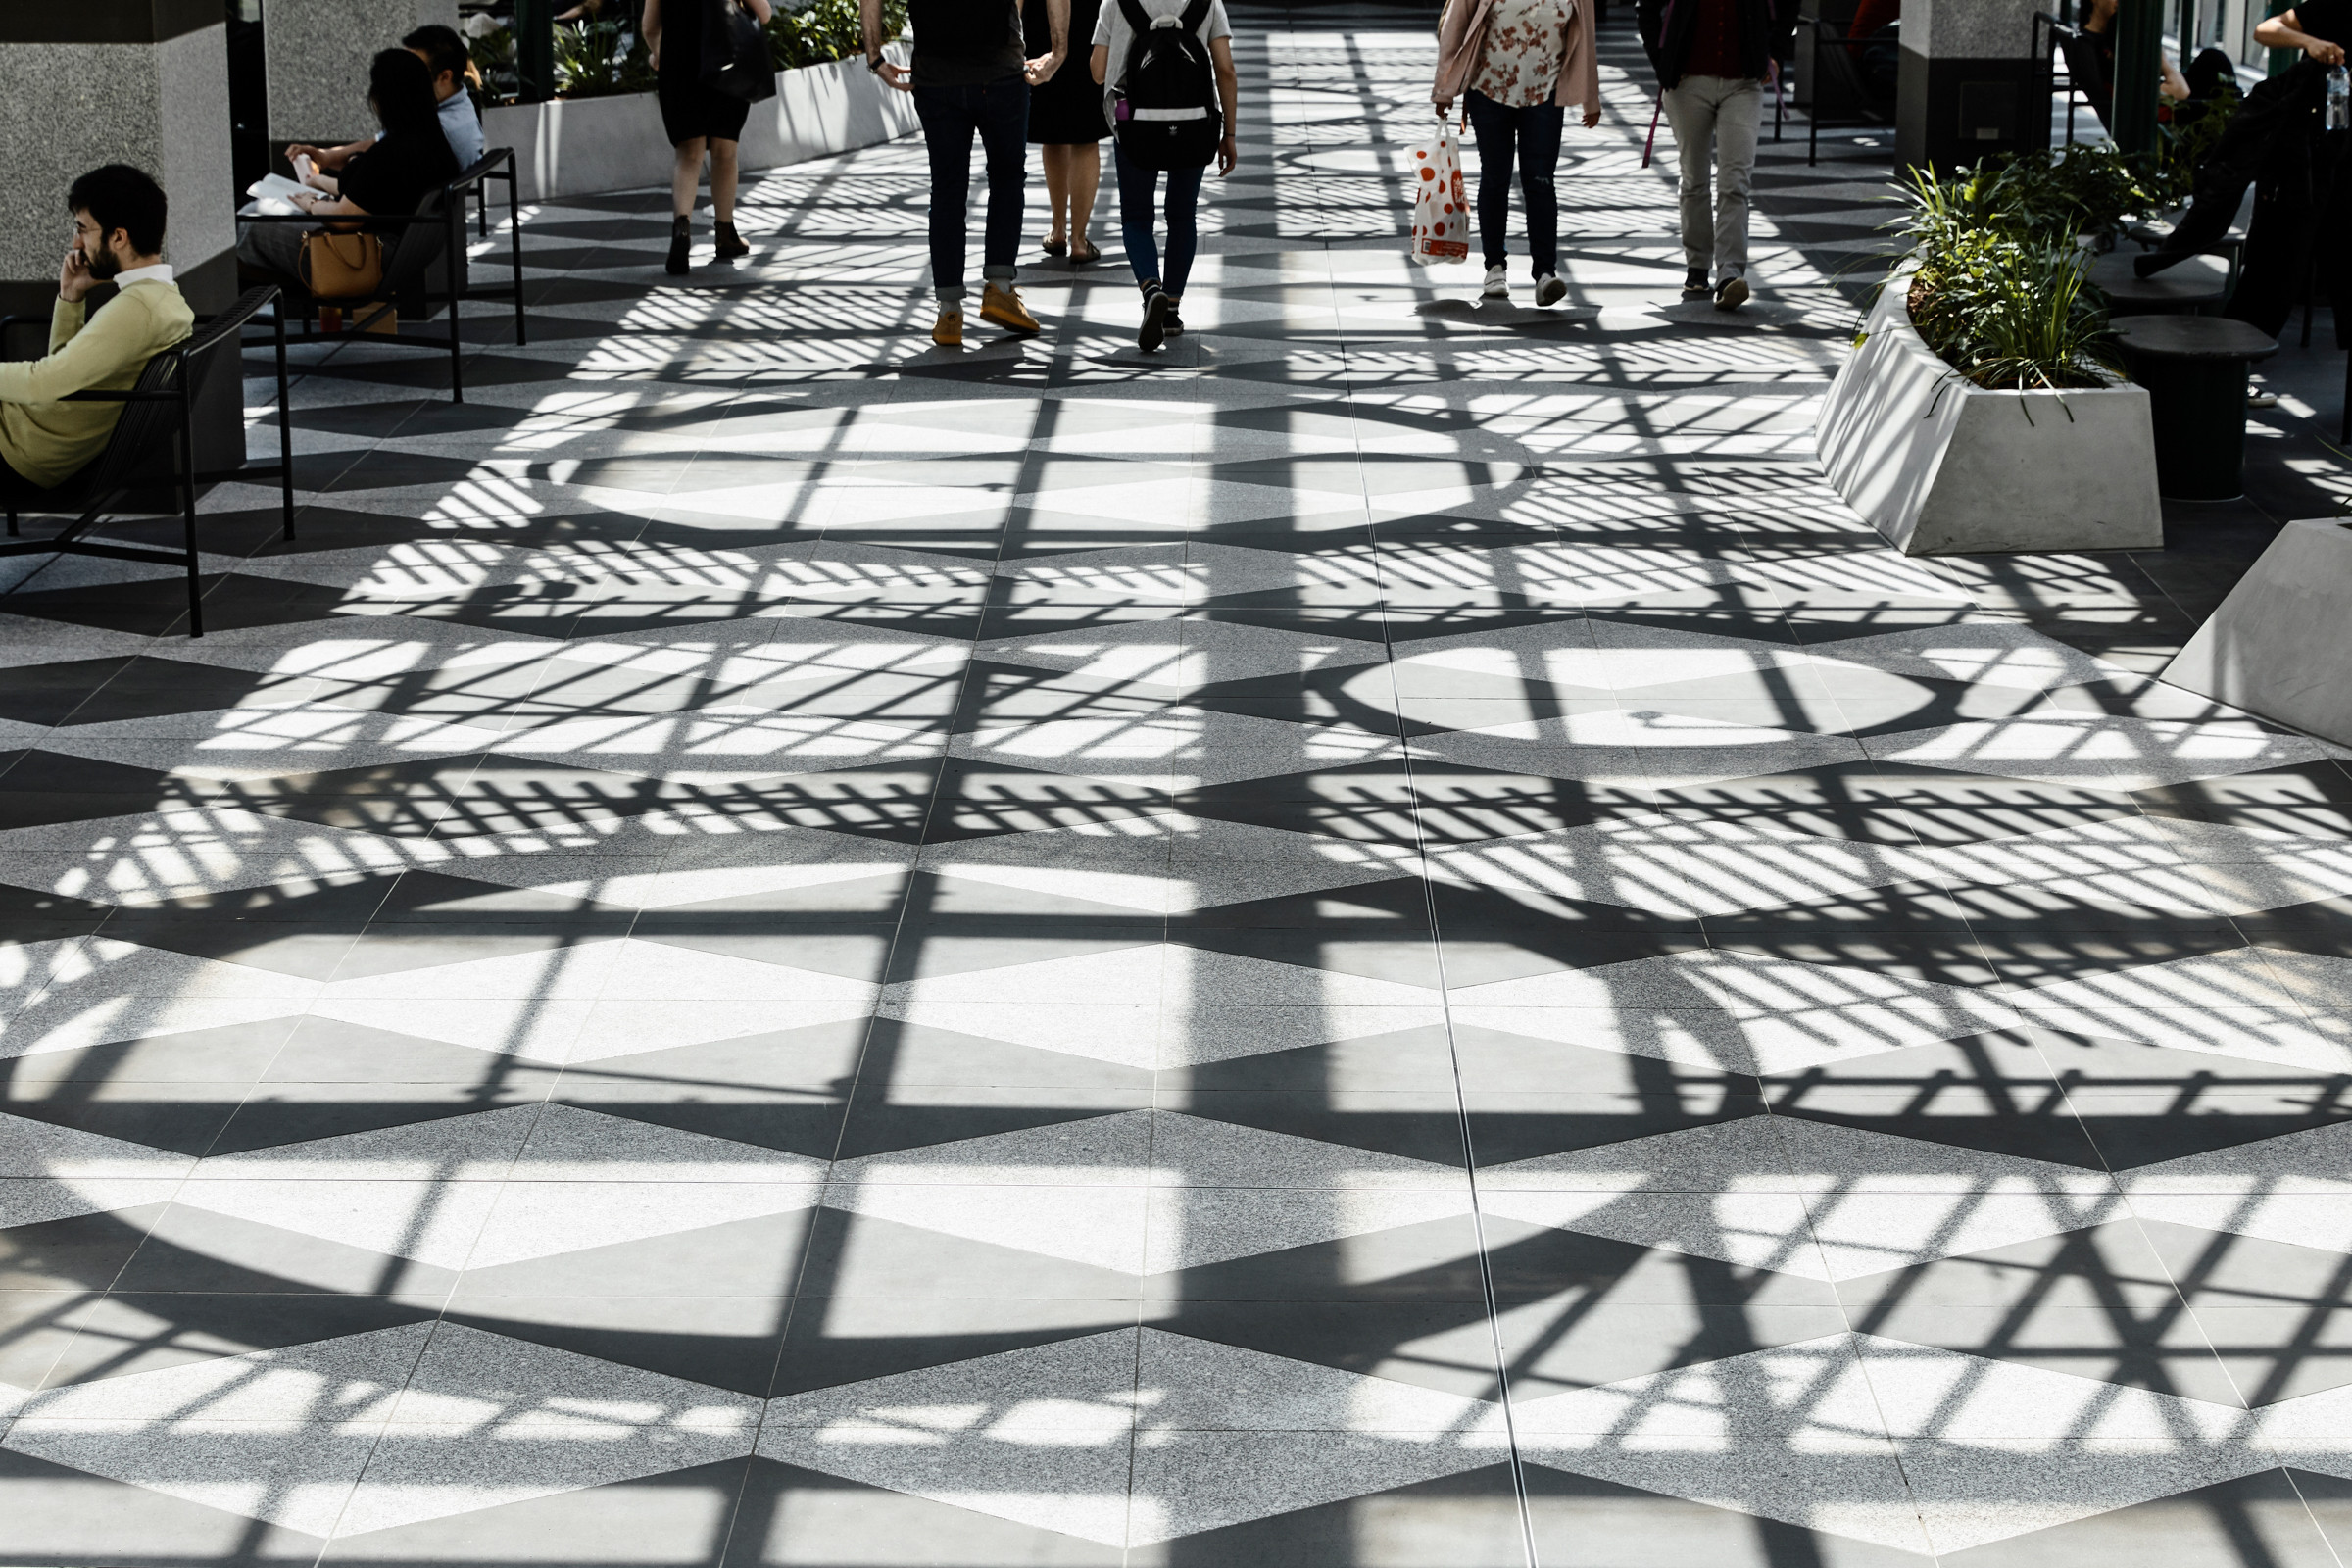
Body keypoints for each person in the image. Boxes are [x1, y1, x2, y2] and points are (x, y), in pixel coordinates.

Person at [866, 0, 1067, 346]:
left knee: (946, 187)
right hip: (1001, 71)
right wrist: (1058, 51)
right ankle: (1000, 289)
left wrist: (875, 56)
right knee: (1006, 178)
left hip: (935, 76)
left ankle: (949, 312)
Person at [0, 166, 194, 494]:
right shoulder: (160, 298)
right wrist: (71, 297)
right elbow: (67, 375)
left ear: (118, 237)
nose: (76, 242)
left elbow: (45, 382)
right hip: (25, 435)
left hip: (19, 450)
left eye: (83, 229)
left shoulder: (137, 309)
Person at [236, 48, 461, 291]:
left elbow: (344, 219)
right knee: (261, 213)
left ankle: (241, 307)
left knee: (250, 219)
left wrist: (311, 204)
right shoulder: (436, 144)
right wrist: (318, 181)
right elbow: (368, 191)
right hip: (406, 253)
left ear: (383, 99)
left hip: (365, 257)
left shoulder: (391, 152)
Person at [1432, 0, 1604, 309]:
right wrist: (1444, 90)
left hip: (1546, 92)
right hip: (1488, 89)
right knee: (1496, 177)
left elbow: (1585, 37)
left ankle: (1545, 274)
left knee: (1540, 181)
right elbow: (1454, 27)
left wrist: (1590, 98)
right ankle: (1494, 268)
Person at [1094, 0, 1239, 350]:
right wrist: (1229, 134)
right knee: (1181, 214)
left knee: (1137, 216)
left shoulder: (1116, 2)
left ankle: (1151, 289)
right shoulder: (1207, 3)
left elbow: (1098, 70)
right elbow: (1226, 70)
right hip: (1193, 125)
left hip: (1135, 126)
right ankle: (1171, 309)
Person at [1637, 0, 1795, 312]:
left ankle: (1729, 274)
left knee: (1735, 180)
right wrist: (1662, 62)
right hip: (1686, 83)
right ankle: (1697, 266)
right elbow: (1646, 9)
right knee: (1694, 178)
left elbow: (1789, 6)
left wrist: (1776, 54)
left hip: (1744, 83)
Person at [646, 0, 775, 275]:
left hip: (679, 67)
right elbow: (764, 14)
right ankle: (725, 235)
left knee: (688, 152)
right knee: (725, 151)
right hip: (725, 63)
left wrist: (658, 53)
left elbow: (649, 26)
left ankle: (682, 229)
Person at [287, 24, 484, 176]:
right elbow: (378, 145)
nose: (402, 76)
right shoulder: (453, 108)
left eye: (413, 71)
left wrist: (317, 194)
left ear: (444, 77)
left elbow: (357, 204)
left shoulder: (433, 133)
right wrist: (325, 157)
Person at [1028, 0, 1110, 263]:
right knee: (1085, 135)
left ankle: (1058, 229)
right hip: (1090, 19)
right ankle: (1078, 239)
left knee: (1053, 129)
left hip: (1041, 19)